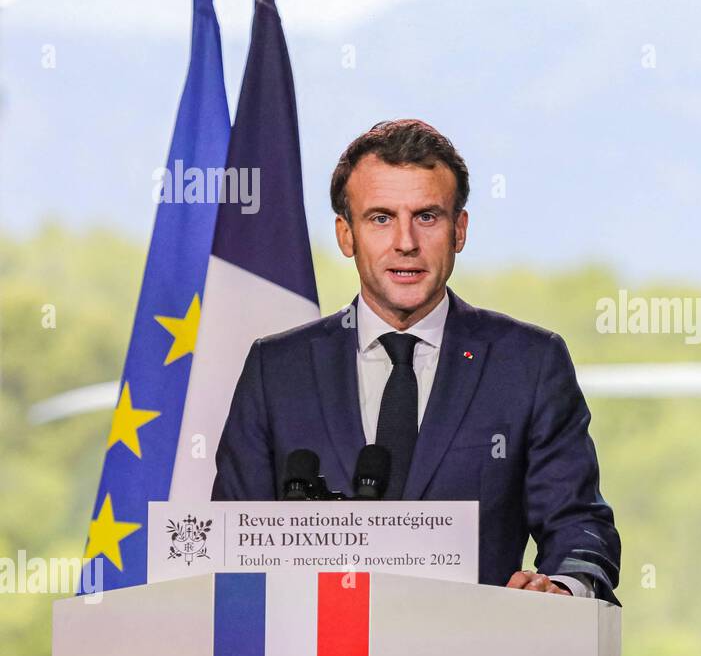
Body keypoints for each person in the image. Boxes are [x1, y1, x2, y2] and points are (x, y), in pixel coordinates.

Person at [211, 119, 620, 603]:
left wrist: (563, 587)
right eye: (380, 218)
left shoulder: (528, 364)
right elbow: (229, 543)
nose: (406, 242)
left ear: (459, 230)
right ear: (346, 235)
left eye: (427, 217)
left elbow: (578, 523)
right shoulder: (277, 370)